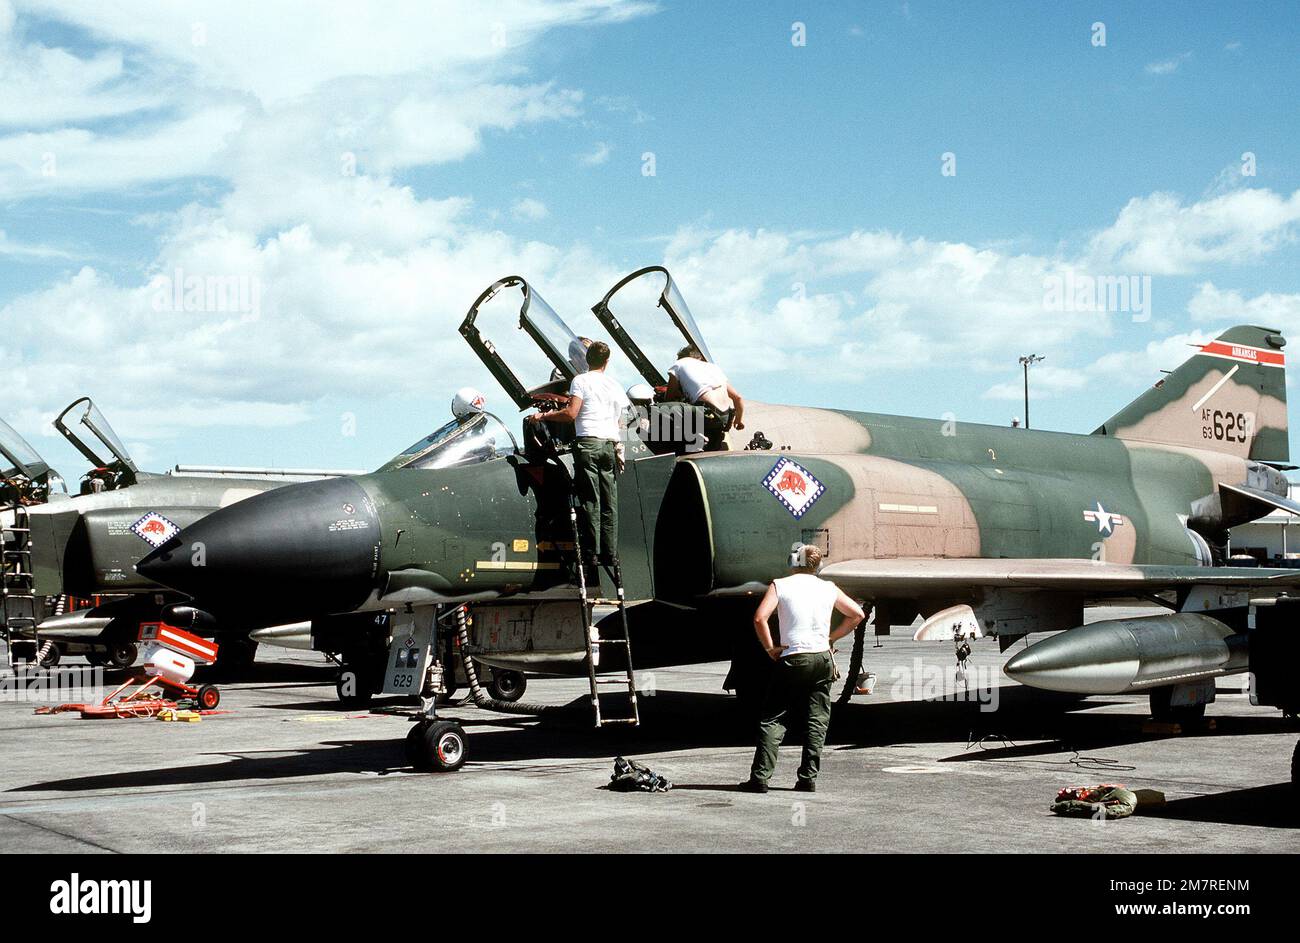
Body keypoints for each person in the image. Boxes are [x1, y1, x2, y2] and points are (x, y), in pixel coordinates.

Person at [740, 543, 865, 794]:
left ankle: (760, 778)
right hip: (822, 658)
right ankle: (808, 778)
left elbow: (759, 618)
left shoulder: (780, 585)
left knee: (773, 718)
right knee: (817, 720)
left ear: (793, 562)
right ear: (817, 565)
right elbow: (857, 614)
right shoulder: (828, 587)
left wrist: (770, 648)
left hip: (793, 657)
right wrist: (831, 638)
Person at [528, 341, 630, 577]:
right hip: (609, 446)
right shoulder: (614, 384)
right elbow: (621, 421)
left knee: (591, 500)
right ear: (607, 361)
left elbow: (571, 413)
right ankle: (610, 553)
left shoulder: (581, 381)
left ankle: (592, 553)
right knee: (609, 502)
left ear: (587, 359)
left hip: (588, 445)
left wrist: (543, 416)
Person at [665, 346, 744, 451]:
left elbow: (669, 398)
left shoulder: (679, 364)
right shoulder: (713, 367)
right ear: (699, 358)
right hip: (725, 419)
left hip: (705, 415)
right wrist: (738, 421)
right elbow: (738, 397)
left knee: (663, 409)